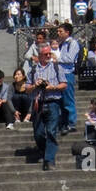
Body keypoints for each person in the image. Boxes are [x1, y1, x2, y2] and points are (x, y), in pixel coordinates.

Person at [25, 41, 67, 169]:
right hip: (38, 103)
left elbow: (64, 84)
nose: (49, 56)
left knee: (51, 131)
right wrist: (34, 85)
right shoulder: (32, 70)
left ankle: (49, 160)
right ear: (39, 55)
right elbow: (26, 88)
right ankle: (44, 150)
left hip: (53, 102)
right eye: (45, 54)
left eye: (50, 53)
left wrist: (52, 87)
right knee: (38, 133)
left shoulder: (56, 67)